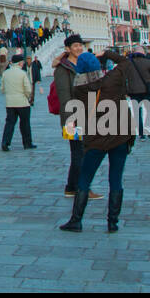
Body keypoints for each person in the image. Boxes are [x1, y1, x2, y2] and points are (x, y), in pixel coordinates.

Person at [58, 50, 134, 232]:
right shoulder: (113, 80)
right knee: (116, 179)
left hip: (95, 139)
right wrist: (107, 54)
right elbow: (126, 62)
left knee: (85, 178)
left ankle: (76, 220)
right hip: (119, 136)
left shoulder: (79, 89)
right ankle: (112, 222)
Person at [52, 35, 101, 200]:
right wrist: (69, 121)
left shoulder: (85, 65)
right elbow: (64, 96)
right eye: (75, 46)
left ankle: (71, 187)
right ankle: (83, 189)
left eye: (80, 45)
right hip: (73, 116)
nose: (79, 48)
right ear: (68, 49)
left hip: (88, 115)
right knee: (81, 153)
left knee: (80, 153)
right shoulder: (63, 69)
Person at [1, 54, 35, 151]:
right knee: (25, 123)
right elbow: (28, 89)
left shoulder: (6, 73)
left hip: (10, 103)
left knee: (9, 123)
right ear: (20, 63)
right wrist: (28, 97)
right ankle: (27, 143)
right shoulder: (22, 73)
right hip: (22, 102)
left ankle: (5, 142)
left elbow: (2, 89)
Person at [125, 45, 150, 140]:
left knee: (137, 112)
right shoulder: (148, 62)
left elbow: (124, 77)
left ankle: (140, 133)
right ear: (143, 53)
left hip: (133, 91)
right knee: (149, 110)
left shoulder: (128, 63)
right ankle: (148, 130)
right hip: (147, 91)